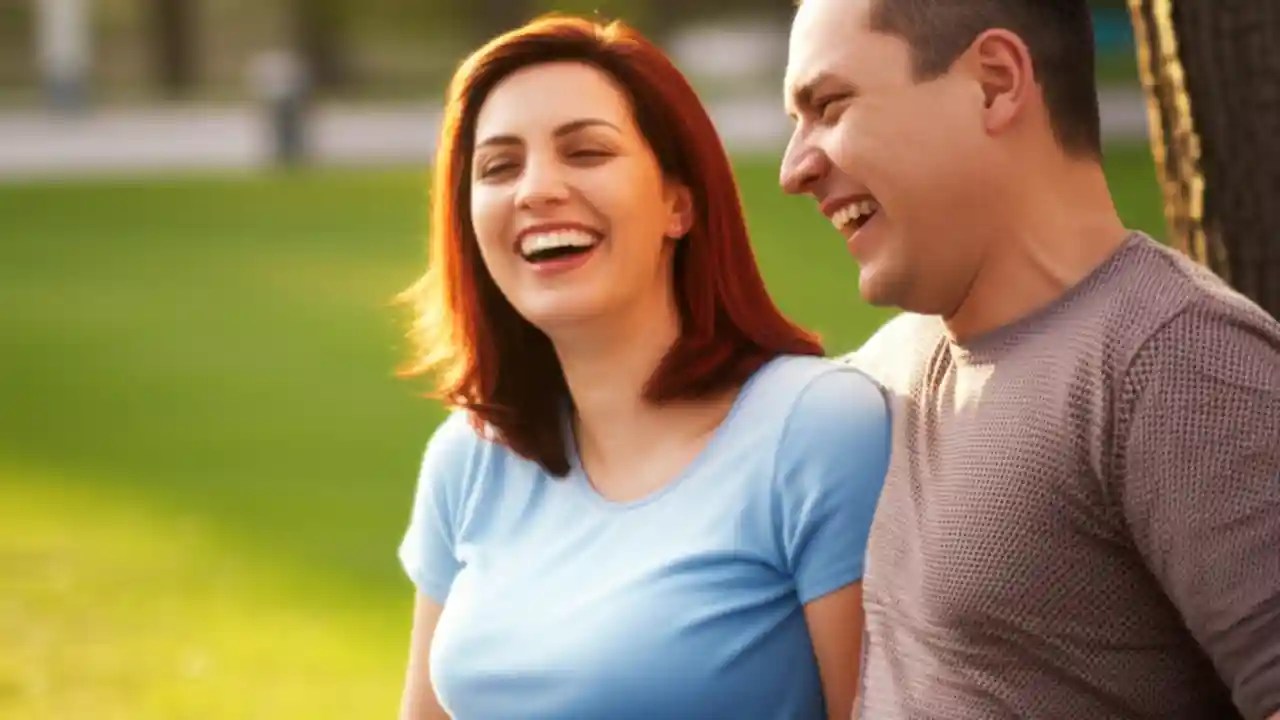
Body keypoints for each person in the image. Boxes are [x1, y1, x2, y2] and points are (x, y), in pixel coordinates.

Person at [778, 0, 1280, 718]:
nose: (794, 168)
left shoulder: (1174, 361)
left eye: (829, 105)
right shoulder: (879, 381)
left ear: (994, 82)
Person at [394, 14, 891, 720]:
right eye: (499, 167)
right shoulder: (467, 461)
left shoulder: (816, 429)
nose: (536, 190)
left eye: (586, 153)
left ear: (678, 204)